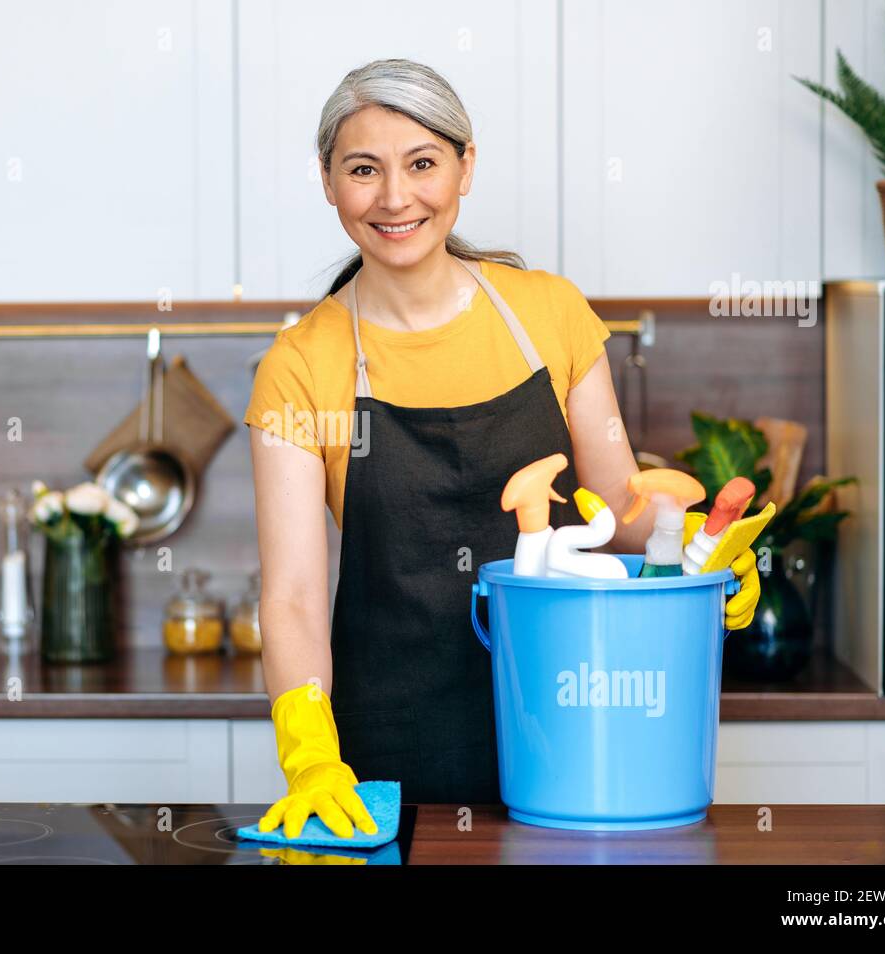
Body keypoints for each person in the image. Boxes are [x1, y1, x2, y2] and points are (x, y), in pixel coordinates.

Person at [243, 59, 760, 839]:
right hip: (388, 752)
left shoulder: (548, 315)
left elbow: (619, 510)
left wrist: (694, 547)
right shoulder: (301, 366)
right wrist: (311, 754)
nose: (394, 197)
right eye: (362, 169)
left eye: (422, 163)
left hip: (574, 724)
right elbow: (292, 599)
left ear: (466, 166)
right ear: (327, 181)